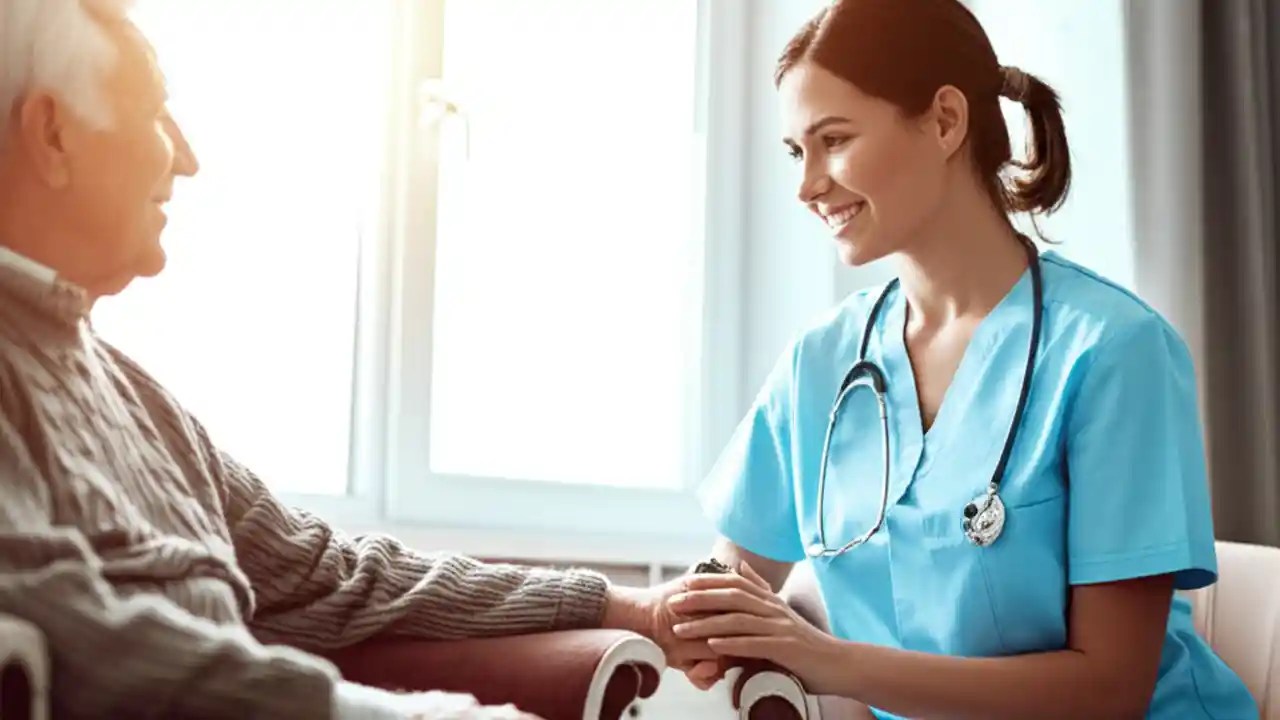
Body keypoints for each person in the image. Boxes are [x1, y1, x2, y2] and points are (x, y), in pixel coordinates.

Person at [0, 2, 709, 718]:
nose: (187, 158)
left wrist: (630, 608)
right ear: (52, 133)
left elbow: (330, 576)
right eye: (156, 114)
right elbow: (67, 633)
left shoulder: (134, 394)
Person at [667, 1, 1260, 718]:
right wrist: (610, 606)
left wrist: (828, 660)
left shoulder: (1114, 352)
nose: (807, 185)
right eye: (797, 151)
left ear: (946, 121)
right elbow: (731, 574)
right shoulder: (820, 364)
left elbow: (1110, 689)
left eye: (835, 139)